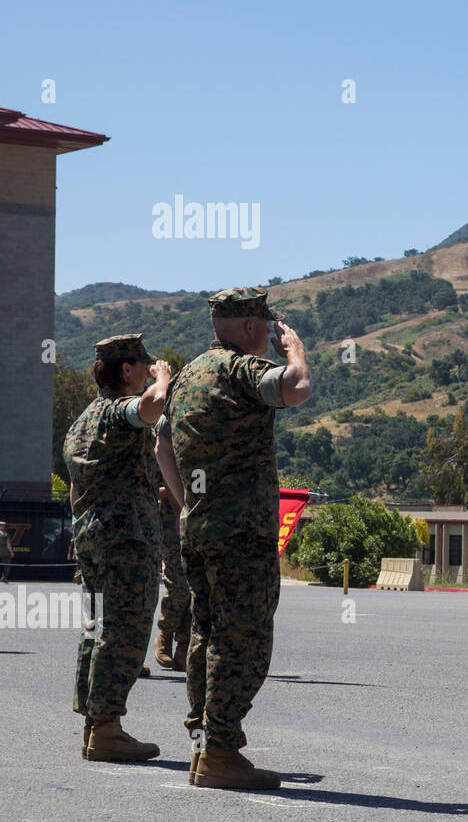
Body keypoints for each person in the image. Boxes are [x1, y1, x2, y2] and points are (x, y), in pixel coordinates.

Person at [157, 287, 312, 789]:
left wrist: (187, 505)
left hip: (199, 528)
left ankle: (205, 746)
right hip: (241, 531)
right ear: (250, 326)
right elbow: (296, 389)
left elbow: (160, 441)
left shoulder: (188, 375)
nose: (270, 334)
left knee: (206, 631)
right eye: (267, 326)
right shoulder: (237, 369)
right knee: (243, 637)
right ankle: (221, 750)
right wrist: (296, 352)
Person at [64, 334, 172, 761]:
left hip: (92, 537)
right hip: (126, 540)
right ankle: (107, 728)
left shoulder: (83, 420)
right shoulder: (117, 411)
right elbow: (148, 409)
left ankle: (95, 724)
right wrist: (162, 382)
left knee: (96, 629)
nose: (149, 368)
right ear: (125, 370)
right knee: (125, 631)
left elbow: (76, 488)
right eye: (143, 363)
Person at [151, 414, 189, 672]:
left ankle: (185, 647)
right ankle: (164, 636)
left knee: (197, 590)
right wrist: (171, 489)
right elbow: (146, 487)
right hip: (170, 527)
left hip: (195, 524)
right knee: (179, 588)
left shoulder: (197, 448)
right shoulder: (158, 450)